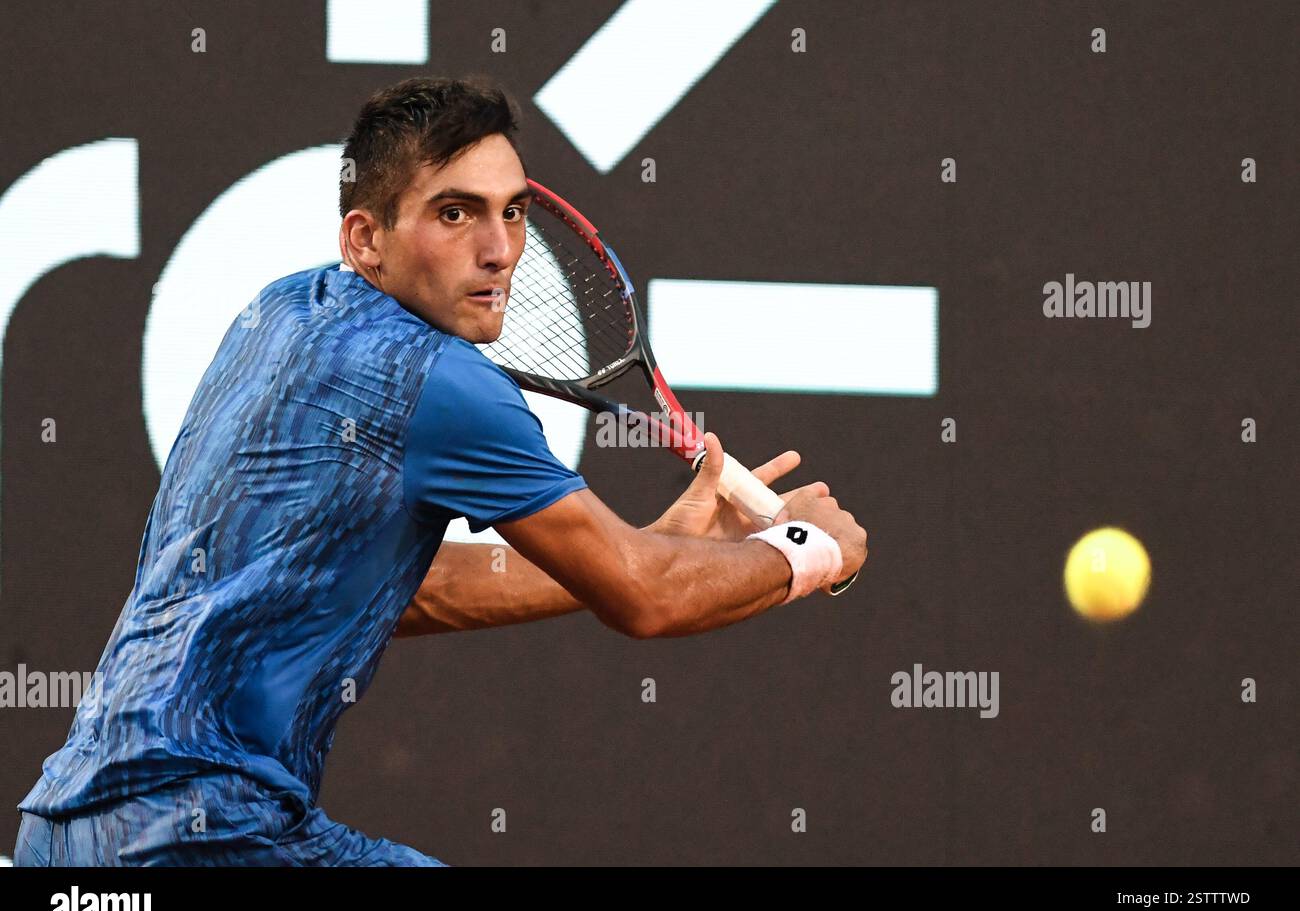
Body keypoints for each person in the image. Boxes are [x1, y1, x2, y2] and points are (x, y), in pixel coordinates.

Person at [12, 76, 866, 866]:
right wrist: (804, 549)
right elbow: (644, 598)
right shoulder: (449, 386)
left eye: (514, 212)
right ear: (366, 238)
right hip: (206, 834)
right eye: (455, 214)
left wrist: (646, 545)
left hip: (69, 839)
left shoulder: (277, 314)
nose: (499, 249)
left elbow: (387, 587)